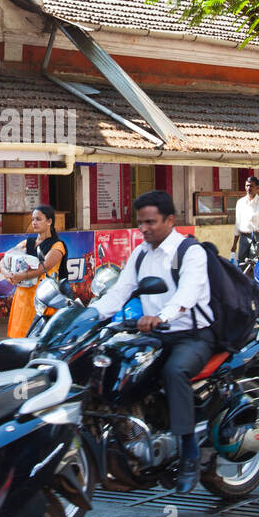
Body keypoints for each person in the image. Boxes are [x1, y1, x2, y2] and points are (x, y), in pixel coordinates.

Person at [89, 190, 212, 494]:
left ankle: (188, 453)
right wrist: (87, 316)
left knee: (174, 373)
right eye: (140, 223)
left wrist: (163, 316)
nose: (144, 229)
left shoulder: (190, 252)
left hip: (192, 335)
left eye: (151, 222)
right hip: (154, 336)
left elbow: (187, 295)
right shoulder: (141, 253)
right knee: (113, 369)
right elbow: (120, 292)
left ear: (170, 220)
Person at [1, 205, 67, 339]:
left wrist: (21, 276)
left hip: (43, 298)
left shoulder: (57, 245)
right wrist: (7, 274)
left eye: (38, 219)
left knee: (38, 337)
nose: (34, 223)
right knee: (19, 337)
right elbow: (5, 259)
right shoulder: (27, 243)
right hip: (23, 296)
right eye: (32, 219)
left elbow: (44, 267)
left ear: (49, 221)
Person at [230, 176, 259, 262]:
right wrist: (234, 244)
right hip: (244, 237)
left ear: (257, 188)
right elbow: (238, 224)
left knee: (253, 263)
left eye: (251, 186)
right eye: (247, 186)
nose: (248, 188)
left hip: (257, 236)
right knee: (242, 263)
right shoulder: (240, 203)